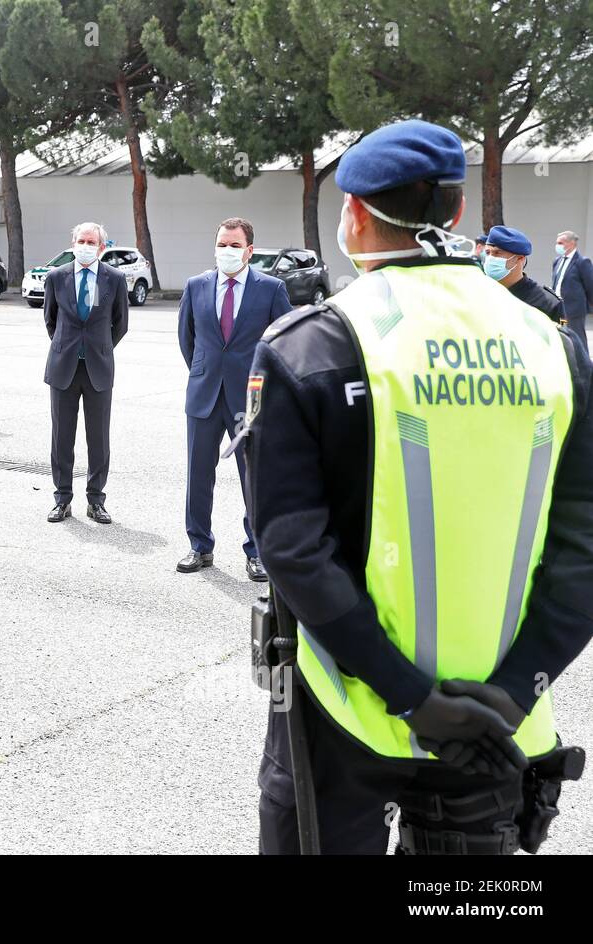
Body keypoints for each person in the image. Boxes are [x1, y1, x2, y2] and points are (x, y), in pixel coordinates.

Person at [248, 120, 593, 854]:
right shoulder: (552, 346)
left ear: (355, 216)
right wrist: (513, 690)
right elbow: (582, 545)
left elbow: (293, 548)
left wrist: (412, 699)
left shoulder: (314, 344)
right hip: (500, 724)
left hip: (349, 717)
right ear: (458, 214)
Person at [176, 218, 291, 581]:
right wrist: (204, 371)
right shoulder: (196, 286)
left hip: (252, 400)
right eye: (222, 244)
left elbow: (283, 343)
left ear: (249, 251)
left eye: (234, 245)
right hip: (204, 394)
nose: (227, 251)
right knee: (198, 475)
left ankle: (257, 551)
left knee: (254, 480)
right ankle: (199, 545)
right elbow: (188, 340)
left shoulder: (271, 289)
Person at [43, 222, 129, 525]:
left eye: (92, 241)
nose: (86, 245)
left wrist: (99, 348)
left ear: (101, 247)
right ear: (73, 243)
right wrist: (69, 346)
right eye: (81, 240)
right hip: (63, 367)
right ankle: (62, 499)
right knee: (61, 437)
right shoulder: (56, 277)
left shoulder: (115, 279)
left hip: (98, 368)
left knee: (98, 438)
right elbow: (50, 321)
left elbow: (120, 324)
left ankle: (96, 500)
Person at [482, 226, 564, 323]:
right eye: (487, 253)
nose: (490, 258)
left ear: (520, 259)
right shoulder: (479, 294)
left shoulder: (548, 303)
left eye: (497, 253)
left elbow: (564, 335)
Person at [552, 231, 593, 352]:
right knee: (562, 336)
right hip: (559, 308)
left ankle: (584, 367)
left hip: (574, 310)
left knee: (577, 338)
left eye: (560, 243)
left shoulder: (582, 262)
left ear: (571, 244)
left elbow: (590, 285)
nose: (557, 245)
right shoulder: (557, 261)